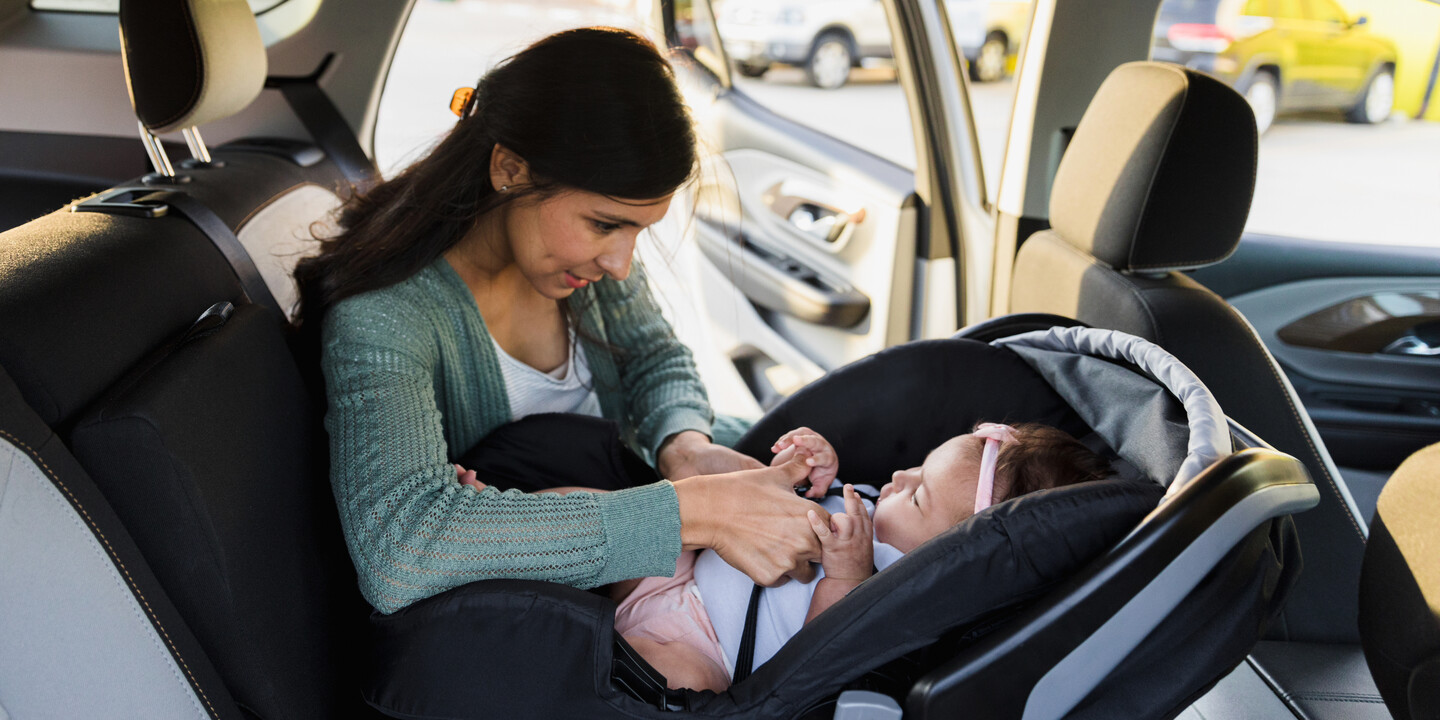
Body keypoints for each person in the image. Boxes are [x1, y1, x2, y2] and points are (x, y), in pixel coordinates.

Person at [291, 27, 826, 615]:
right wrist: (698, 513)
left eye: (638, 231)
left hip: (648, 499)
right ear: (510, 170)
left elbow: (652, 358)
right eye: (604, 224)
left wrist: (685, 448)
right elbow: (405, 550)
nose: (621, 266)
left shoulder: (569, 261)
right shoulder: (384, 319)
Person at [601, 422, 1117, 692]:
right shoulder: (873, 504)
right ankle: (538, 555)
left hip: (705, 646)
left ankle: (574, 661)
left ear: (945, 553)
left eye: (917, 497)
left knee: (685, 683)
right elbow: (768, 508)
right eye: (918, 466)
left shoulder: (897, 586)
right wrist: (808, 468)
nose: (899, 478)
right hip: (683, 566)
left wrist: (846, 577)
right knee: (607, 510)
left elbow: (817, 658)